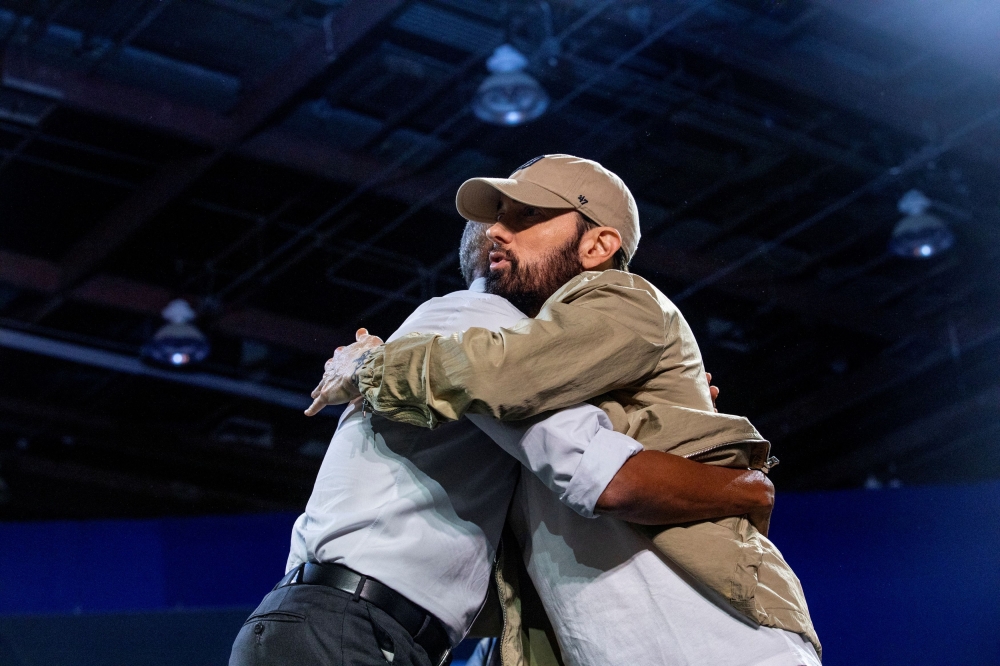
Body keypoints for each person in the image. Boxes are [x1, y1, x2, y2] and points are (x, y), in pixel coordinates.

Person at [312, 154, 821, 665]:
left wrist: (370, 367)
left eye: (526, 216)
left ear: (599, 245)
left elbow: (503, 372)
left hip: (721, 639)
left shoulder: (624, 299)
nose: (496, 232)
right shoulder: (546, 375)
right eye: (497, 217)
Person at [229, 233, 776, 664]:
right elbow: (606, 477)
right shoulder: (484, 324)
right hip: (349, 628)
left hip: (338, 625)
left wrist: (647, 403)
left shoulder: (465, 349)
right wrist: (747, 486)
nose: (500, 229)